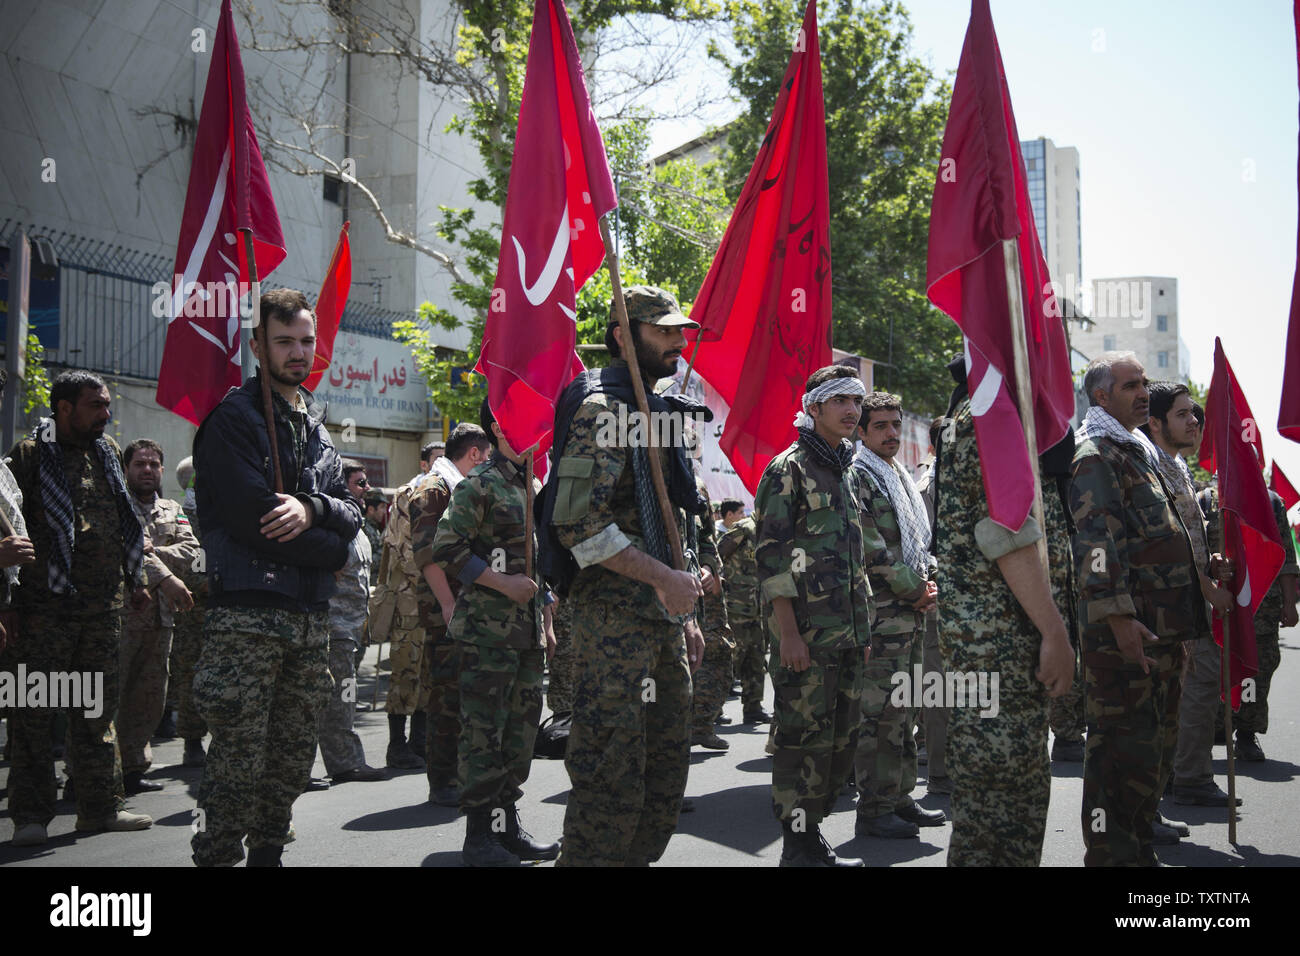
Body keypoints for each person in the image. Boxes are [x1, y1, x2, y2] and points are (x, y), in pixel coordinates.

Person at [190, 288, 362, 866]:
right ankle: (216, 854)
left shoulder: (313, 425)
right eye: (284, 340)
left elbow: (351, 510)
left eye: (306, 341)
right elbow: (257, 521)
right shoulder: (233, 421)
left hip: (309, 619)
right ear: (258, 345)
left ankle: (268, 853)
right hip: (247, 618)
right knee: (239, 758)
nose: (298, 352)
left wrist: (314, 510)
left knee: (290, 759)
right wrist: (333, 553)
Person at [543, 285, 706, 867]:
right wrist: (663, 579)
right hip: (612, 621)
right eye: (663, 331)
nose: (677, 342)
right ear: (623, 336)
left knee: (664, 773)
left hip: (662, 620)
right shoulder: (601, 409)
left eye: (679, 331)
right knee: (610, 773)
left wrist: (683, 607)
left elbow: (673, 519)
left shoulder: (656, 412)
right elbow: (579, 528)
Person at [1070, 352, 1213, 867]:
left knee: (1152, 748)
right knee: (1119, 752)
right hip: (1126, 636)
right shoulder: (1097, 453)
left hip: (1162, 632)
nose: (1142, 392)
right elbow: (1098, 543)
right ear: (1102, 396)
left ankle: (1138, 848)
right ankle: (1112, 856)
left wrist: (1186, 629)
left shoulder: (1137, 451)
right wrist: (1118, 617)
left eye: (1144, 383)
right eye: (1131, 384)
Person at [936, 355, 1075, 867]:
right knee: (1004, 806)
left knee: (996, 798)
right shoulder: (991, 414)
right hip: (999, 640)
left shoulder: (979, 413)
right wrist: (1054, 631)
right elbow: (1006, 535)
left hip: (991, 640)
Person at [6, 370, 153, 846]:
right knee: (34, 713)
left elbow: (123, 521)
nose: (106, 414)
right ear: (64, 408)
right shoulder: (28, 456)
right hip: (41, 612)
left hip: (101, 611)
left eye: (107, 405)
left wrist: (137, 580)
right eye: (95, 405)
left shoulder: (107, 452)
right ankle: (30, 815)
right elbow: (5, 519)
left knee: (95, 715)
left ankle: (101, 808)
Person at [430, 400, 558, 865]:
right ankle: (478, 836)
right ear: (501, 425)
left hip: (525, 638)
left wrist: (545, 616)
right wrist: (502, 582)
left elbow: (535, 568)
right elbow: (445, 547)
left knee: (519, 738)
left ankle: (506, 829)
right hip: (487, 636)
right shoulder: (479, 486)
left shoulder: (531, 486)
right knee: (483, 735)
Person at [755, 364, 872, 868]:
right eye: (840, 400)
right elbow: (772, 558)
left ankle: (812, 835)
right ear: (816, 407)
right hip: (805, 634)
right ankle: (797, 846)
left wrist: (862, 628)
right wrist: (788, 634)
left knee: (841, 741)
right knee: (803, 742)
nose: (852, 410)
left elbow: (854, 558)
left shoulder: (844, 467)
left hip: (846, 634)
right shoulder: (789, 468)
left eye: (856, 401)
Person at [1139, 381, 1235, 824]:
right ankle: (1188, 780)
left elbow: (1188, 538)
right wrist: (1206, 584)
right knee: (1189, 694)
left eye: (1194, 413)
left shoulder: (1175, 466)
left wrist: (1209, 561)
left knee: (1187, 695)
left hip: (1187, 601)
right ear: (1155, 423)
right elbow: (1165, 545)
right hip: (1171, 605)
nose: (1194, 421)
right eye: (1182, 414)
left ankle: (1176, 782)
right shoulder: (1151, 466)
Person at [850, 392, 942, 839]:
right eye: (881, 425)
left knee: (905, 710)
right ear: (862, 431)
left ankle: (900, 797)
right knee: (881, 714)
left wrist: (929, 580)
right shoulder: (858, 476)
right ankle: (874, 808)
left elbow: (919, 542)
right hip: (883, 614)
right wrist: (915, 590)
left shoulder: (898, 474)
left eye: (895, 424)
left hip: (912, 612)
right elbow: (872, 550)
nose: (891, 433)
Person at [412, 422, 492, 805]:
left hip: (463, 604)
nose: (488, 462)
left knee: (463, 694)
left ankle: (458, 776)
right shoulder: (435, 488)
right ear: (474, 454)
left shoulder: (458, 486)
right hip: (445, 606)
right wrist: (447, 603)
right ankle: (441, 781)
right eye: (486, 455)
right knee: (445, 697)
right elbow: (427, 556)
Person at [119, 438, 199, 795]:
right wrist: (150, 559)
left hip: (161, 619)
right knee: (108, 697)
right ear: (126, 469)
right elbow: (120, 550)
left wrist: (153, 552)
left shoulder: (172, 509)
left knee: (149, 697)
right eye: (140, 464)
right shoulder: (115, 506)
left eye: (154, 464)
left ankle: (134, 768)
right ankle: (87, 774)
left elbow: (192, 552)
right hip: (120, 618)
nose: (147, 470)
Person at [1200, 483, 1299, 762]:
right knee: (1216, 666)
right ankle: (1218, 725)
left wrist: (1289, 603)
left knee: (1257, 668)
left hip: (1261, 604)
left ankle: (1246, 732)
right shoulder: (1205, 500)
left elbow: (1285, 557)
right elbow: (1195, 552)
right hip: (1218, 601)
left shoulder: (1271, 503)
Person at [371, 441, 448, 768]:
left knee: (429, 672)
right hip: (410, 597)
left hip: (435, 599)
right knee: (406, 669)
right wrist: (434, 581)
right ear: (423, 462)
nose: (442, 465)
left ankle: (419, 741)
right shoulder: (409, 493)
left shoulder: (448, 491)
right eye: (437, 460)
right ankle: (397, 745)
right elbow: (405, 548)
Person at [315, 460, 386, 784]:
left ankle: (342, 759)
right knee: (338, 697)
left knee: (343, 696)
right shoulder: (331, 526)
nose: (366, 489)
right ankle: (344, 763)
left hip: (355, 627)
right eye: (359, 483)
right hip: (335, 625)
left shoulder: (356, 527)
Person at [912, 416, 951, 795]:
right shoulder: (929, 486)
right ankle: (940, 770)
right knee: (939, 686)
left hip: (970, 597)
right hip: (941, 596)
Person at [689, 476, 734, 751]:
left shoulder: (696, 485)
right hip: (663, 591)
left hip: (705, 594)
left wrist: (709, 568)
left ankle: (702, 725)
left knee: (717, 654)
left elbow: (707, 538)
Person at [718, 501, 770, 725]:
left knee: (756, 660)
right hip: (737, 607)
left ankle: (753, 707)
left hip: (759, 609)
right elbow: (719, 554)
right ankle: (711, 711)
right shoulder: (745, 528)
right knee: (730, 659)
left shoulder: (773, 533)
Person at [362, 492, 387, 586]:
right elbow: (368, 562)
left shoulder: (374, 528)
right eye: (382, 507)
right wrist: (385, 550)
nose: (384, 511)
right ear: (371, 509)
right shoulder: (364, 529)